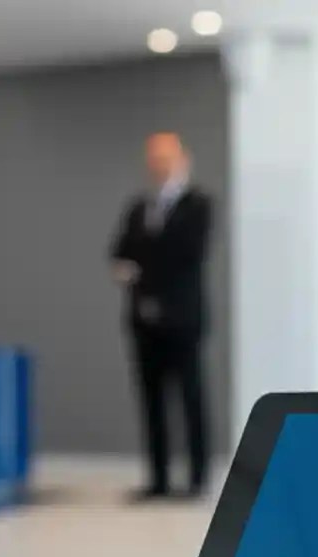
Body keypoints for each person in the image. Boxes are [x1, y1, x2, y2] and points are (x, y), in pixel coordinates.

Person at [111, 133, 212, 499]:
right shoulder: (139, 208)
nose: (159, 166)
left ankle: (197, 477)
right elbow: (119, 252)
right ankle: (158, 478)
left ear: (183, 160)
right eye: (154, 159)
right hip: (144, 319)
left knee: (190, 398)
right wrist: (141, 269)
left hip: (182, 319)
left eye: (166, 158)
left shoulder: (198, 205)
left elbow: (186, 254)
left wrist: (143, 270)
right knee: (151, 401)